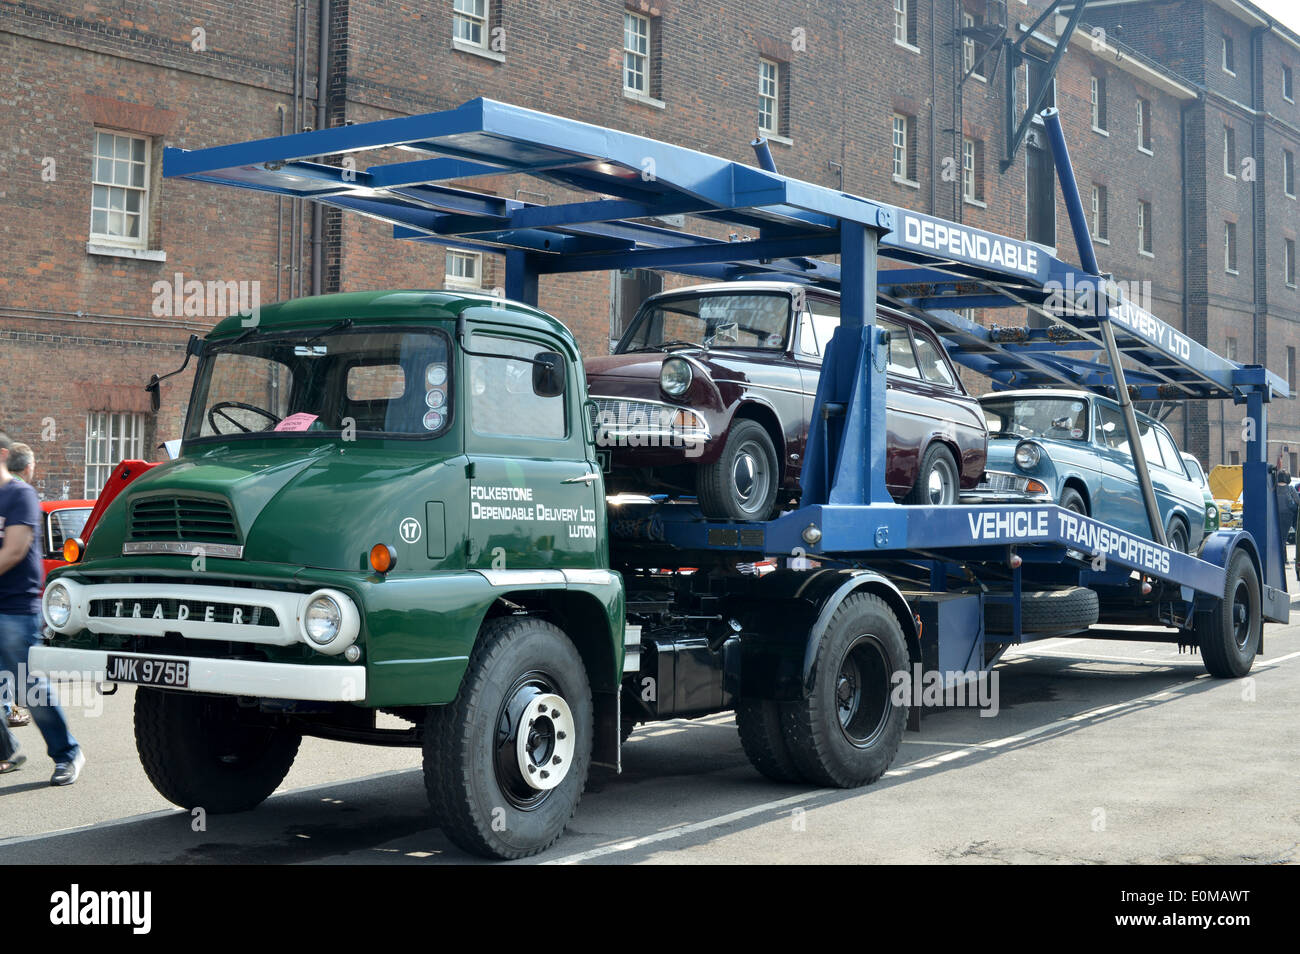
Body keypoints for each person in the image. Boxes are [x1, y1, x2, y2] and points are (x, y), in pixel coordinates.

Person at [0, 431, 84, 783]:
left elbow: (15, 550)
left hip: (16, 609)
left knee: (27, 689)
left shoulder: (19, 495)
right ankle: (8, 752)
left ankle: (67, 753)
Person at [4, 442, 34, 728]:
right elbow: (16, 550)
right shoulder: (21, 493)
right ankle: (10, 709)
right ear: (27, 467)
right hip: (15, 599)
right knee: (21, 668)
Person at [1275, 471, 1299, 568]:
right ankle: (1282, 560)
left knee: (1278, 537)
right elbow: (1298, 501)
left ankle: (1283, 559)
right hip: (1287, 516)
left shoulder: (1274, 488)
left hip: (1275, 515)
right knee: (1283, 537)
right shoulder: (1290, 488)